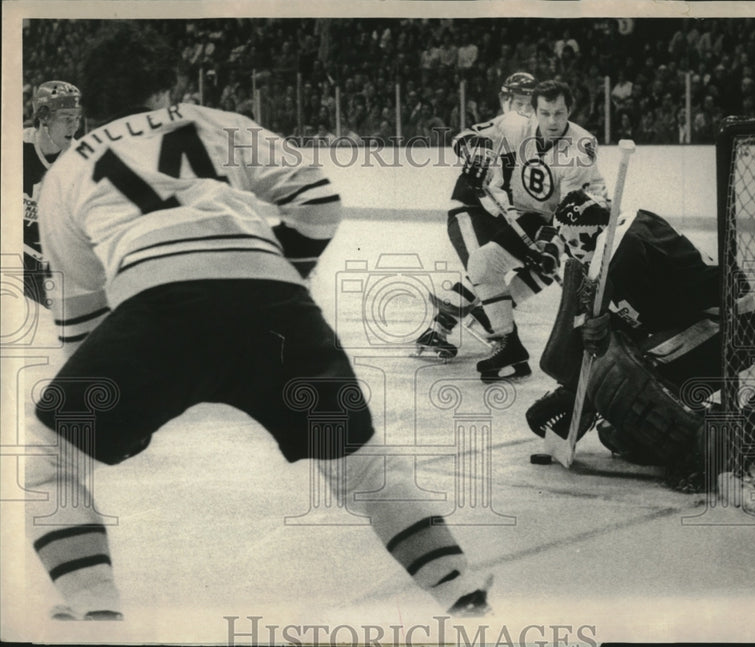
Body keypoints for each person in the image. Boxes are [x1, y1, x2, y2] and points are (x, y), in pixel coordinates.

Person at [27, 23, 490, 621]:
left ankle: (95, 610)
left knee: (49, 460)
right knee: (359, 462)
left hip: (158, 312)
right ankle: (457, 586)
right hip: (275, 309)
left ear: (93, 101)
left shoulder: (66, 170)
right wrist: (278, 276)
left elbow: (79, 299)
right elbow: (318, 201)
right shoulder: (213, 121)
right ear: (168, 86)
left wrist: (104, 389)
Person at [526, 190, 755, 485]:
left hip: (728, 327)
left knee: (625, 376)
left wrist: (592, 387)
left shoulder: (620, 247)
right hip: (703, 324)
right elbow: (634, 322)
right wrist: (578, 390)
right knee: (621, 434)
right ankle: (754, 425)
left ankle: (707, 448)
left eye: (567, 241)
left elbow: (622, 344)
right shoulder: (618, 242)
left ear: (578, 237)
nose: (568, 251)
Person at [467, 80, 609, 382]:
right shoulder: (516, 125)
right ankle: (509, 345)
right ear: (533, 112)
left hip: (583, 221)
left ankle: (503, 316)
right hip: (533, 214)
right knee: (482, 264)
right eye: (545, 113)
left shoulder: (580, 146)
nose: (553, 121)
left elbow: (569, 213)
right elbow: (472, 135)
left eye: (559, 113)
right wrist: (474, 156)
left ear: (570, 110)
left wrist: (550, 245)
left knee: (561, 275)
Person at [414, 71, 538, 363]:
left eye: (529, 105)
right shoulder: (499, 126)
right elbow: (465, 137)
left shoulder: (534, 139)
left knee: (526, 266)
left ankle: (448, 326)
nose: (524, 110)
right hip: (469, 212)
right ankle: (491, 331)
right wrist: (478, 154)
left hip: (499, 218)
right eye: (518, 102)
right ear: (504, 100)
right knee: (481, 272)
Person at [23, 80, 83, 306]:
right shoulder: (13, 147)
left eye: (77, 118)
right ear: (44, 117)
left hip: (49, 266)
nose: (74, 126)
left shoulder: (80, 160)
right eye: (67, 118)